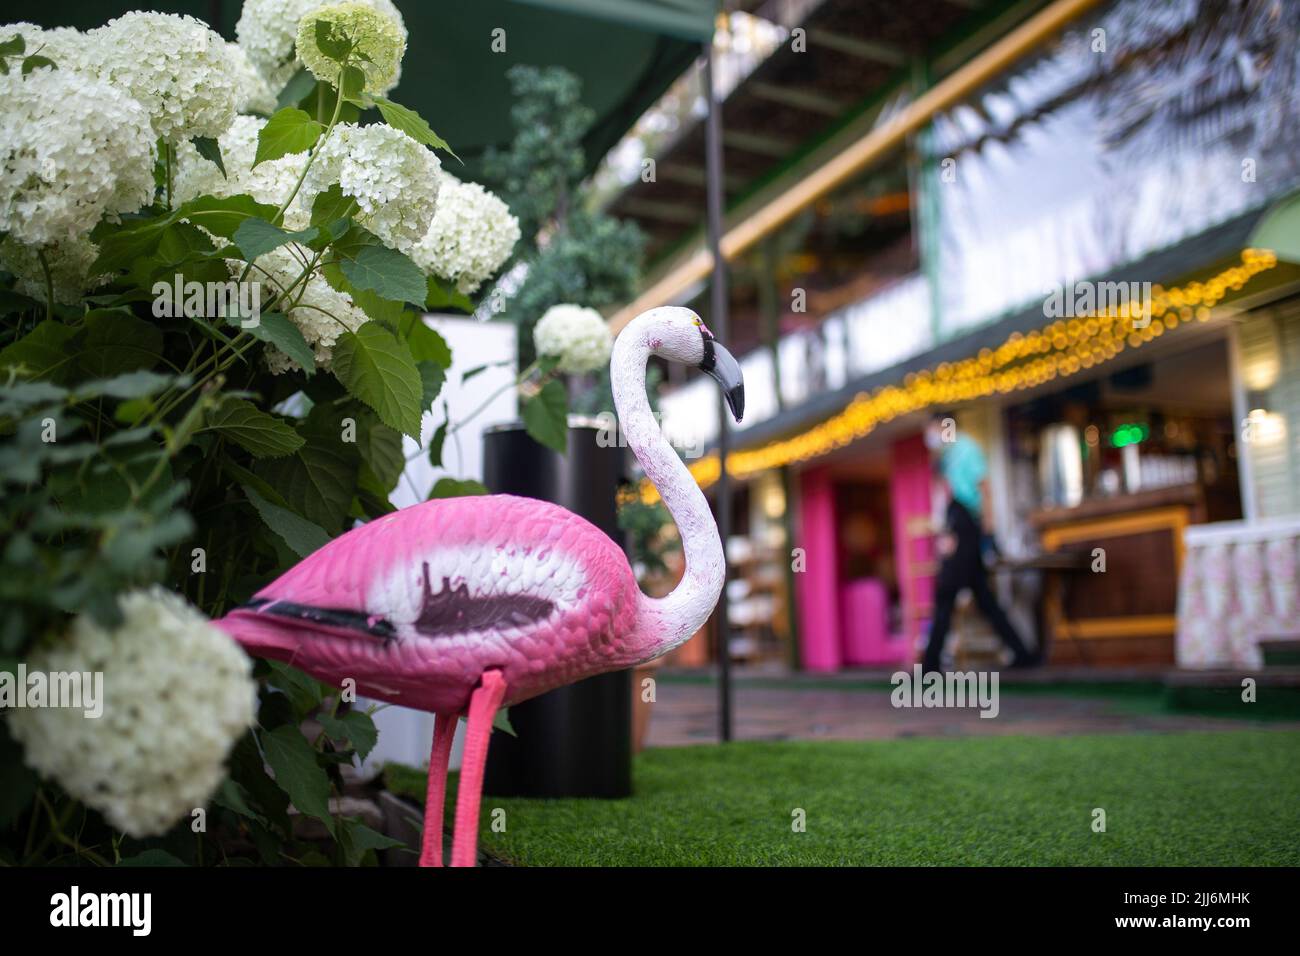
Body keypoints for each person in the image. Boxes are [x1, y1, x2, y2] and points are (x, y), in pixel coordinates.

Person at [922, 412, 1036, 673]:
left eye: (932, 429)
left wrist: (988, 530)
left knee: (945, 592)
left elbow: (984, 489)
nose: (930, 436)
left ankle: (930, 663)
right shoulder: (948, 456)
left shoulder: (966, 448)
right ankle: (1021, 652)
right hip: (959, 523)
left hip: (966, 527)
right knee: (983, 597)